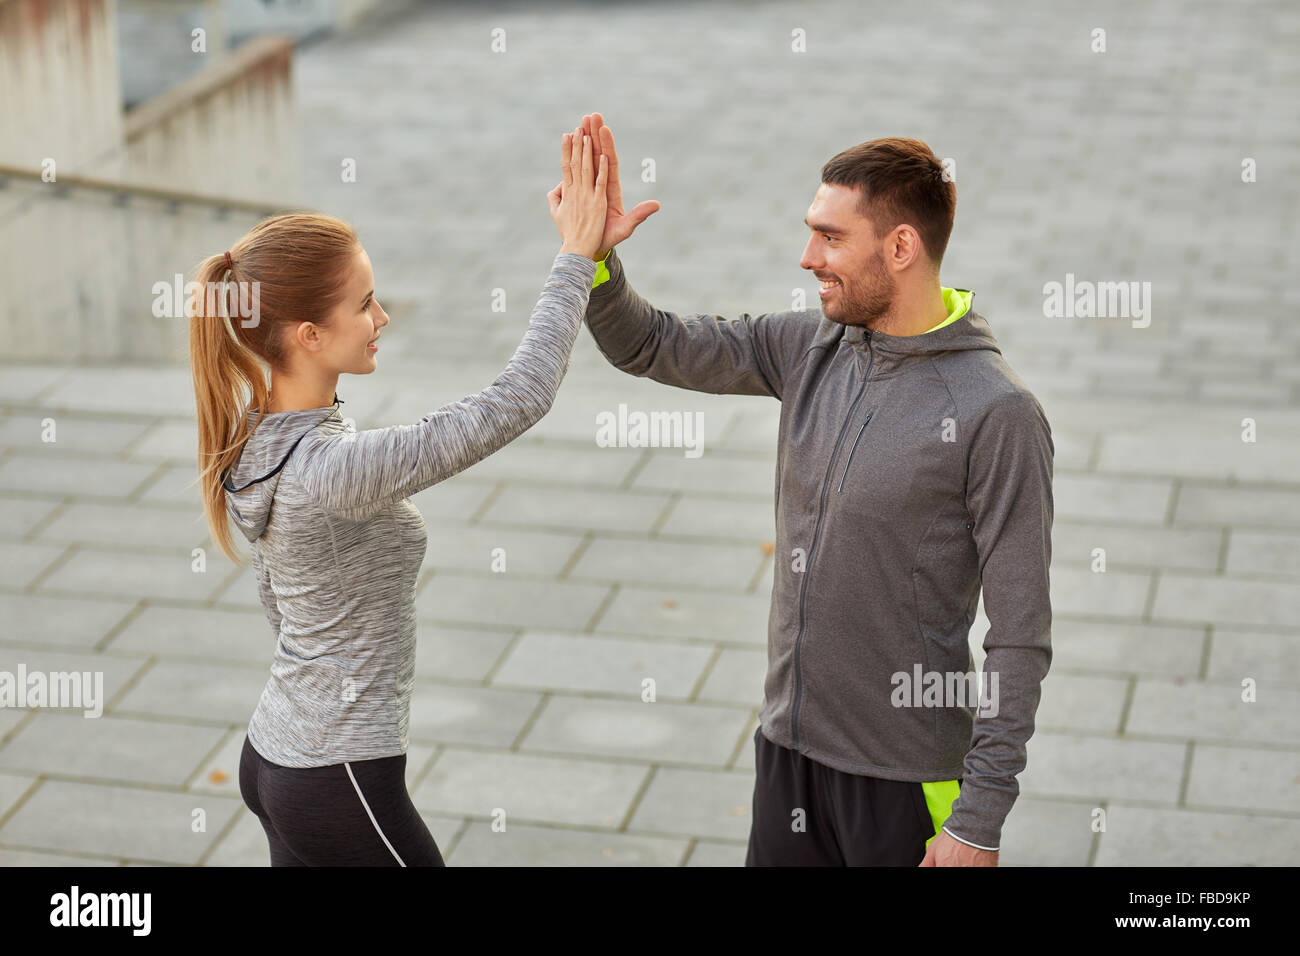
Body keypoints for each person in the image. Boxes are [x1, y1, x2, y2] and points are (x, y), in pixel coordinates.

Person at [571, 112, 1054, 867]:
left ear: (901, 247)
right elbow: (650, 343)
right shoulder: (809, 347)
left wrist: (978, 819)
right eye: (811, 232)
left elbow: (1019, 632)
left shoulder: (997, 413)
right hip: (788, 756)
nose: (807, 257)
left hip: (905, 780)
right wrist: (595, 260)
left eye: (831, 237)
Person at [188, 129, 609, 865]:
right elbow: (517, 399)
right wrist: (578, 256)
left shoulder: (256, 440)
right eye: (366, 304)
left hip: (281, 755)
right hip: (336, 775)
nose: (383, 318)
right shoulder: (332, 470)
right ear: (312, 334)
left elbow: (280, 596)